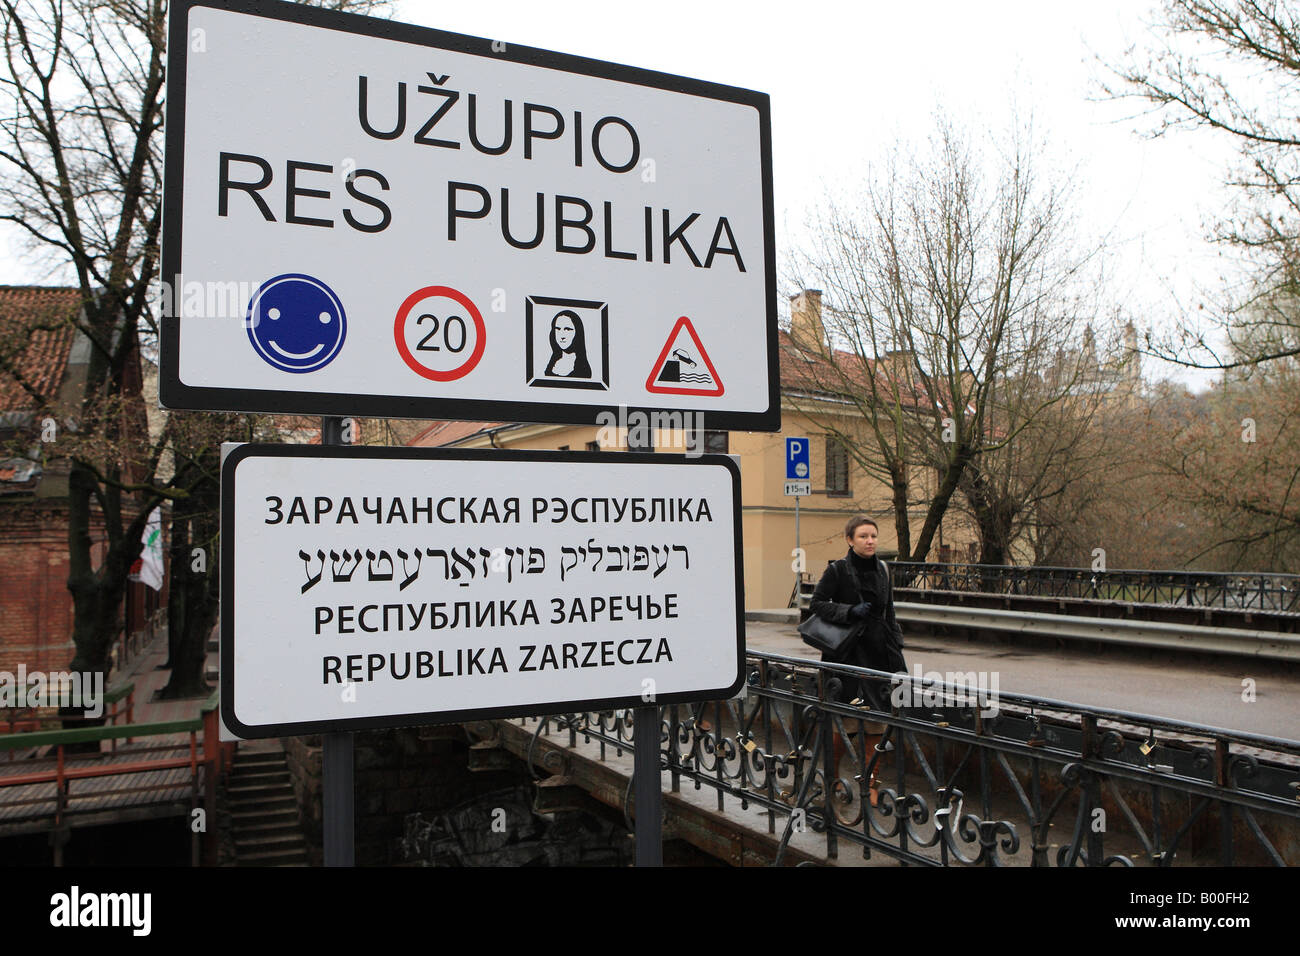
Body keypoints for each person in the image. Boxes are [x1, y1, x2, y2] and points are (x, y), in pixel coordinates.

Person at [809, 515, 907, 805]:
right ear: (850, 540)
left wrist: (897, 651)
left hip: (877, 657)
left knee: (876, 725)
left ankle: (870, 785)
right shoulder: (837, 570)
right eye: (863, 536)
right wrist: (849, 611)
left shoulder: (884, 570)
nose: (870, 541)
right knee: (843, 724)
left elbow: (889, 613)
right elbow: (817, 604)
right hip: (845, 656)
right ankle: (832, 778)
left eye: (873, 536)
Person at [543, 309, 592, 378]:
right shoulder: (552, 362)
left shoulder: (583, 368)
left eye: (568, 329)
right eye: (558, 329)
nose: (562, 335)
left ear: (578, 332)